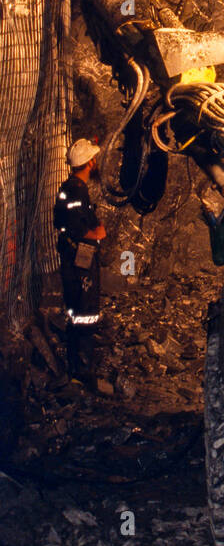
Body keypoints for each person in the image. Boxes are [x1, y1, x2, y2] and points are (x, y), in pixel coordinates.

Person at [53, 139, 105, 384]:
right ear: (88, 163)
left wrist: (95, 225)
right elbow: (74, 224)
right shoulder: (76, 189)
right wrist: (94, 234)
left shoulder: (71, 187)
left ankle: (77, 366)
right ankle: (83, 369)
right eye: (93, 159)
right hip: (78, 258)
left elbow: (69, 219)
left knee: (77, 310)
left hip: (72, 256)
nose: (96, 163)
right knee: (85, 311)